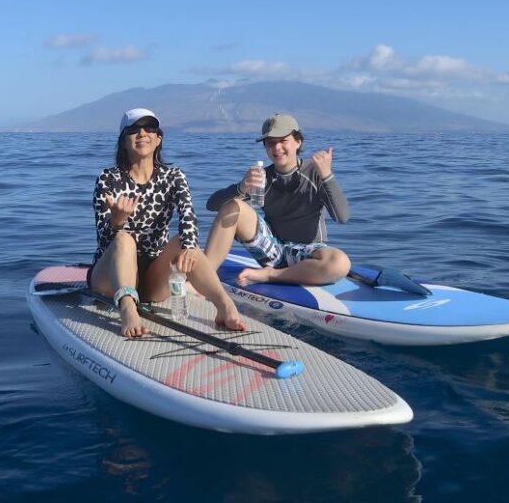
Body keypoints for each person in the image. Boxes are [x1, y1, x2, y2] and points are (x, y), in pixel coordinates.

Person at [88, 108, 246, 337]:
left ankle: (224, 305)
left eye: (149, 128)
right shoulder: (107, 179)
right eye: (133, 130)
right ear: (123, 141)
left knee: (185, 242)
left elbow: (188, 217)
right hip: (109, 276)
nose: (142, 134)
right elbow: (103, 242)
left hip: (153, 277)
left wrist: (189, 248)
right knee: (124, 238)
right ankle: (128, 309)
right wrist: (116, 222)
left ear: (158, 138)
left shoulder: (173, 177)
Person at [205, 113, 351, 286]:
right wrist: (241, 187)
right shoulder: (261, 177)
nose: (277, 148)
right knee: (234, 206)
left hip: (306, 254)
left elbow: (342, 217)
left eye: (283, 140)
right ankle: (203, 278)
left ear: (298, 142)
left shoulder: (315, 172)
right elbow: (212, 205)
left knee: (340, 263)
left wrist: (327, 176)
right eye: (271, 143)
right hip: (271, 250)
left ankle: (271, 275)